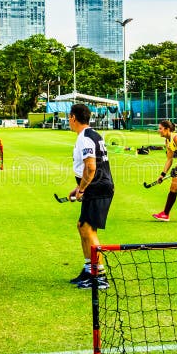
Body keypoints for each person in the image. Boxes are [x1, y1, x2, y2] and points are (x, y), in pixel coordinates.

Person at [68, 103, 114, 290]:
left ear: (73, 118)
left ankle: (99, 276)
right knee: (82, 226)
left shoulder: (85, 138)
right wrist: (79, 186)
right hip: (95, 186)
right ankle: (89, 270)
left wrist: (82, 188)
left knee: (88, 230)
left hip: (97, 188)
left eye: (68, 118)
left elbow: (91, 167)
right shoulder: (93, 134)